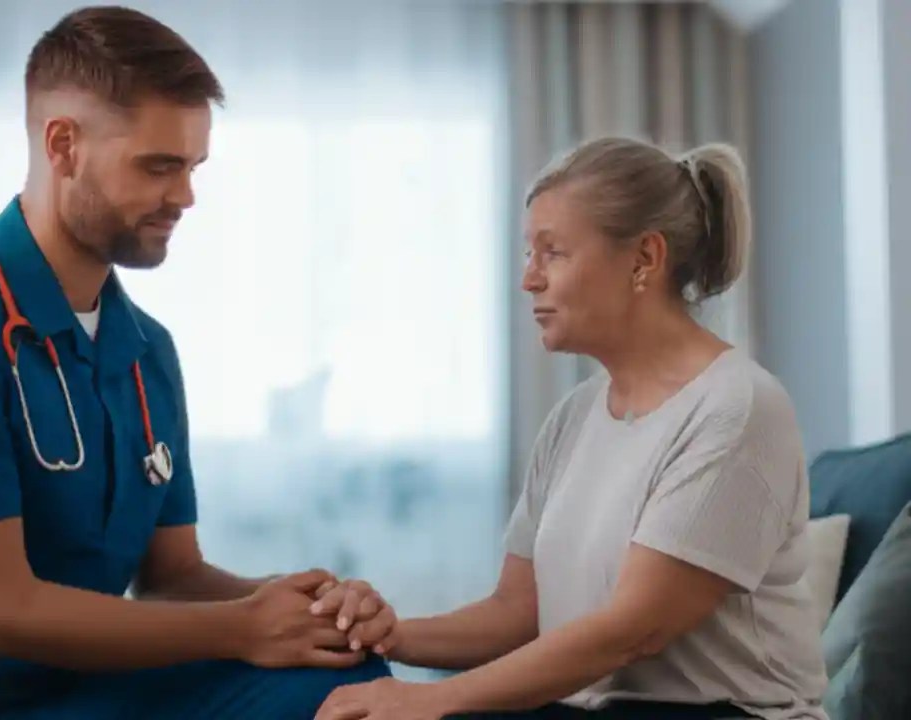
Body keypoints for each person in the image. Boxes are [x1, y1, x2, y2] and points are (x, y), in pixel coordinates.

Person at [0, 7, 394, 719]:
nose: (185, 197)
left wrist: (301, 606)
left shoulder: (145, 351)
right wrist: (245, 626)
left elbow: (171, 575)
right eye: (159, 166)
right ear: (63, 145)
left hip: (65, 691)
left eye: (192, 167)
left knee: (350, 677)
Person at [314, 138, 829, 720]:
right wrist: (390, 636)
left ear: (644, 259)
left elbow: (632, 631)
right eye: (529, 254)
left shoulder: (738, 408)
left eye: (552, 253)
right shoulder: (575, 416)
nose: (529, 280)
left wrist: (430, 700)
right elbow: (518, 613)